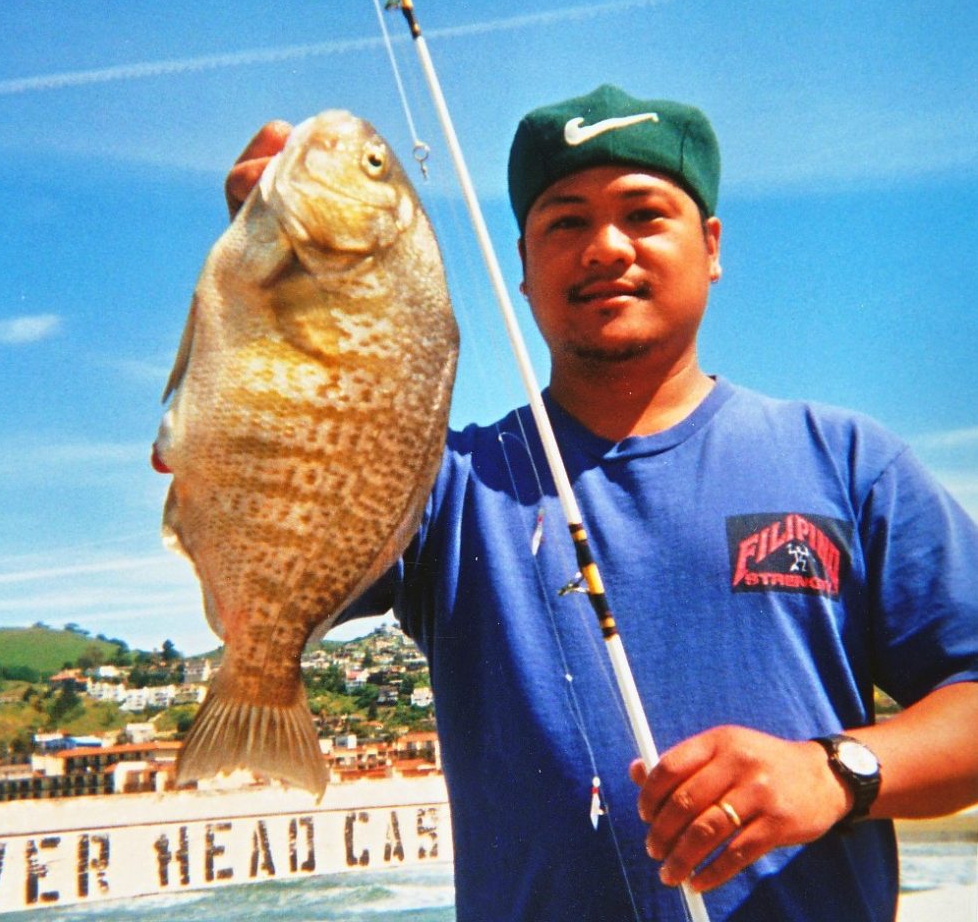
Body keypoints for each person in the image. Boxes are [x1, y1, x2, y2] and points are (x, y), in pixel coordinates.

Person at [224, 84, 978, 922]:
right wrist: (283, 285)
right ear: (521, 263)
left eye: (645, 214)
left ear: (712, 245)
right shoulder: (446, 484)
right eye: (565, 222)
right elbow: (271, 539)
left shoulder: (845, 461)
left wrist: (834, 773)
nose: (604, 247)